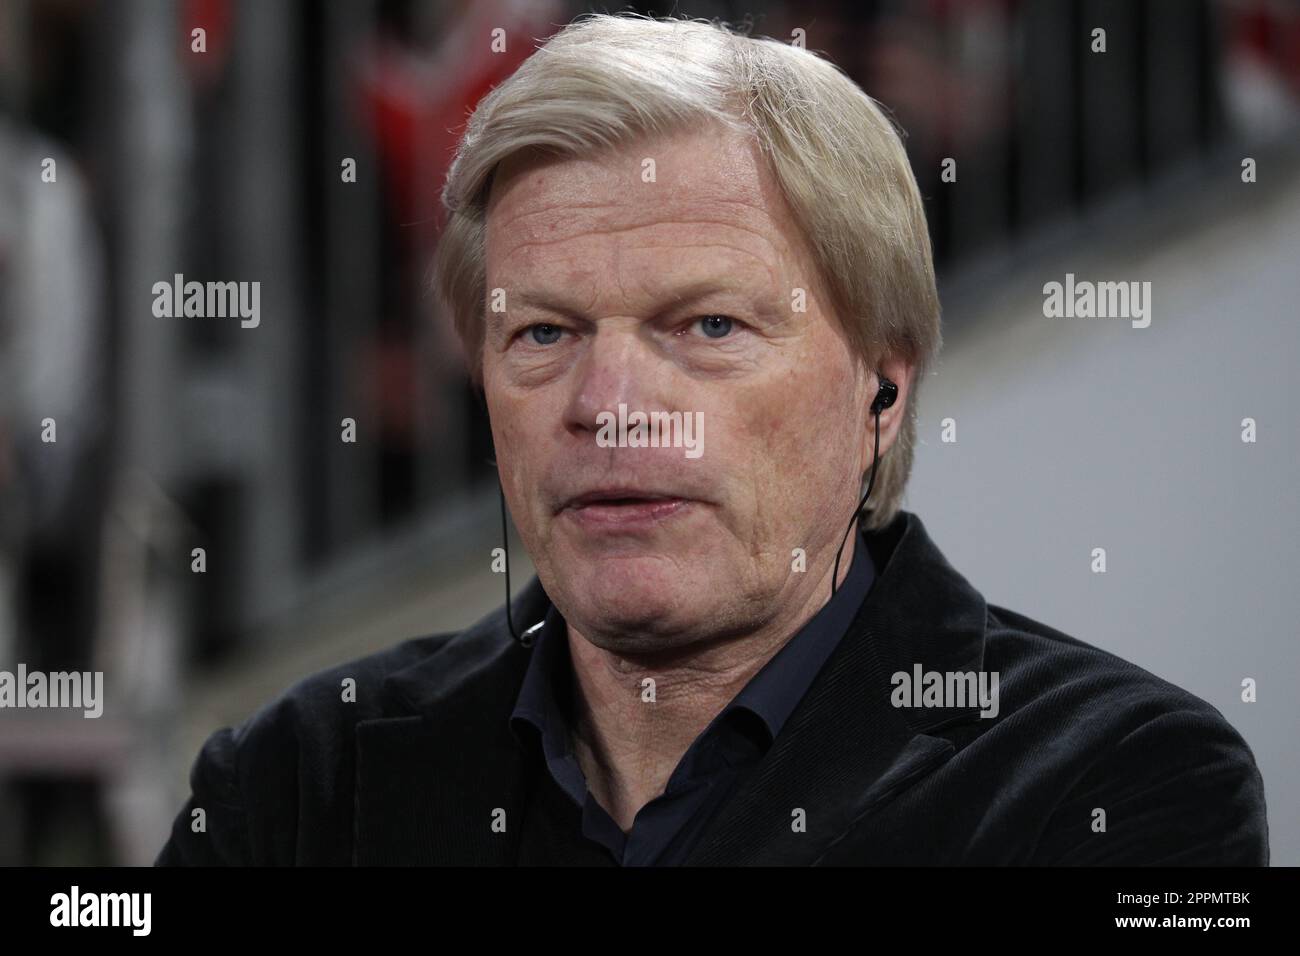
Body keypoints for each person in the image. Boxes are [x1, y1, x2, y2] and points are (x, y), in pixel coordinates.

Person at [156, 13, 1268, 866]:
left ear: (882, 381)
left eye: (708, 326)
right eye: (543, 330)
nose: (611, 403)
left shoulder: (1120, 779)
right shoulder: (298, 781)